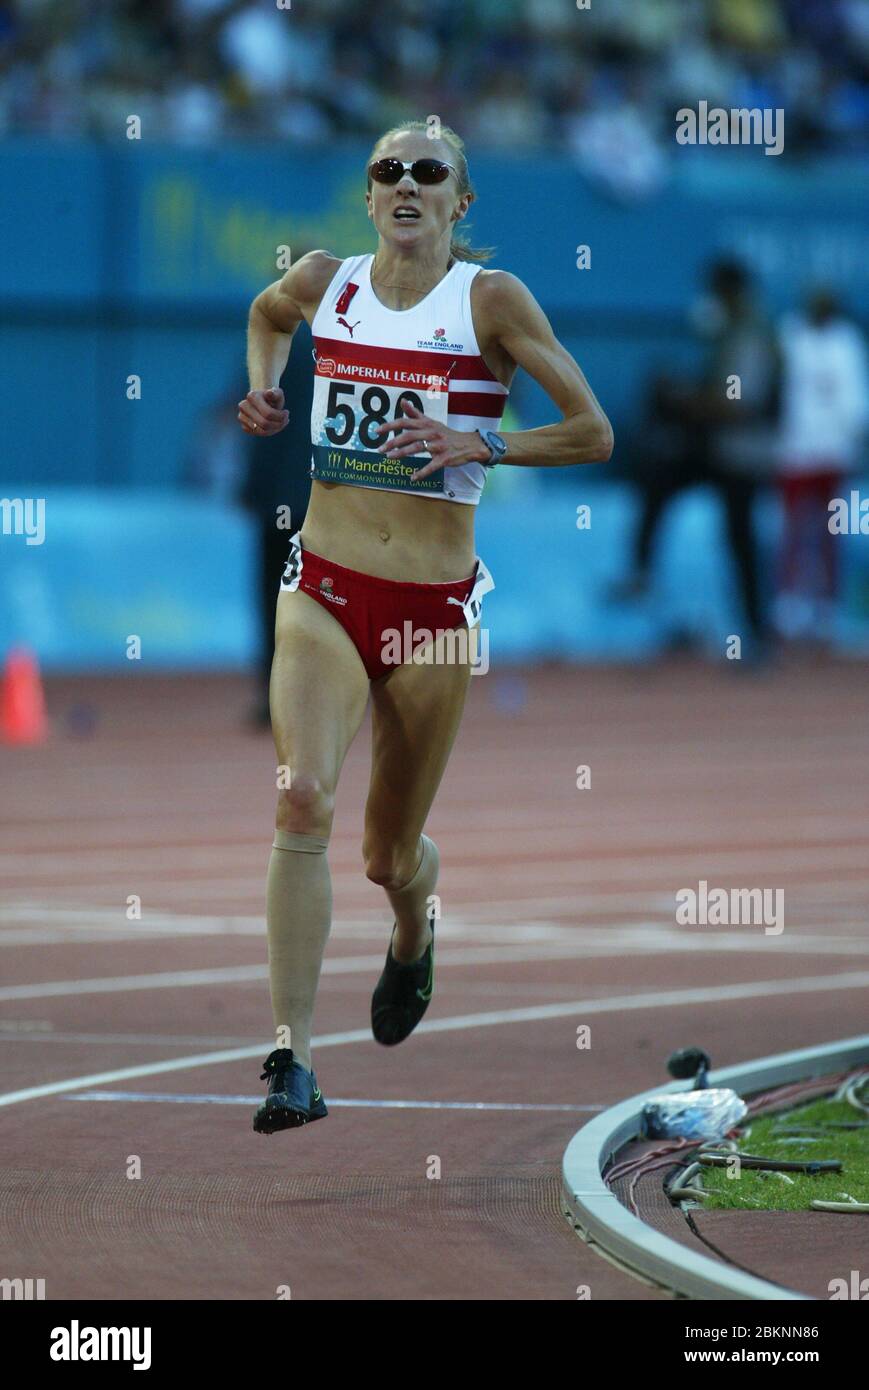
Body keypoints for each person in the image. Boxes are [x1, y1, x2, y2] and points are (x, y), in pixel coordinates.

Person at [237, 121, 613, 1134]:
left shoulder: (489, 300)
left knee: (385, 851)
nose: (405, 184)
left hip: (432, 614)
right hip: (320, 585)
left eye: (427, 173)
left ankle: (414, 925)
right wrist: (267, 385)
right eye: (386, 171)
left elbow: (592, 431)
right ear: (366, 196)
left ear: (462, 201)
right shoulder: (325, 281)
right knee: (301, 799)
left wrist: (475, 439)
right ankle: (292, 1058)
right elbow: (266, 313)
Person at [774, 288, 869, 642]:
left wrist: (853, 437)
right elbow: (777, 389)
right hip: (795, 451)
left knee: (830, 533)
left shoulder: (848, 342)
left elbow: (856, 398)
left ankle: (827, 610)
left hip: (834, 452)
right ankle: (789, 608)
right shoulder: (789, 334)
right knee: (793, 532)